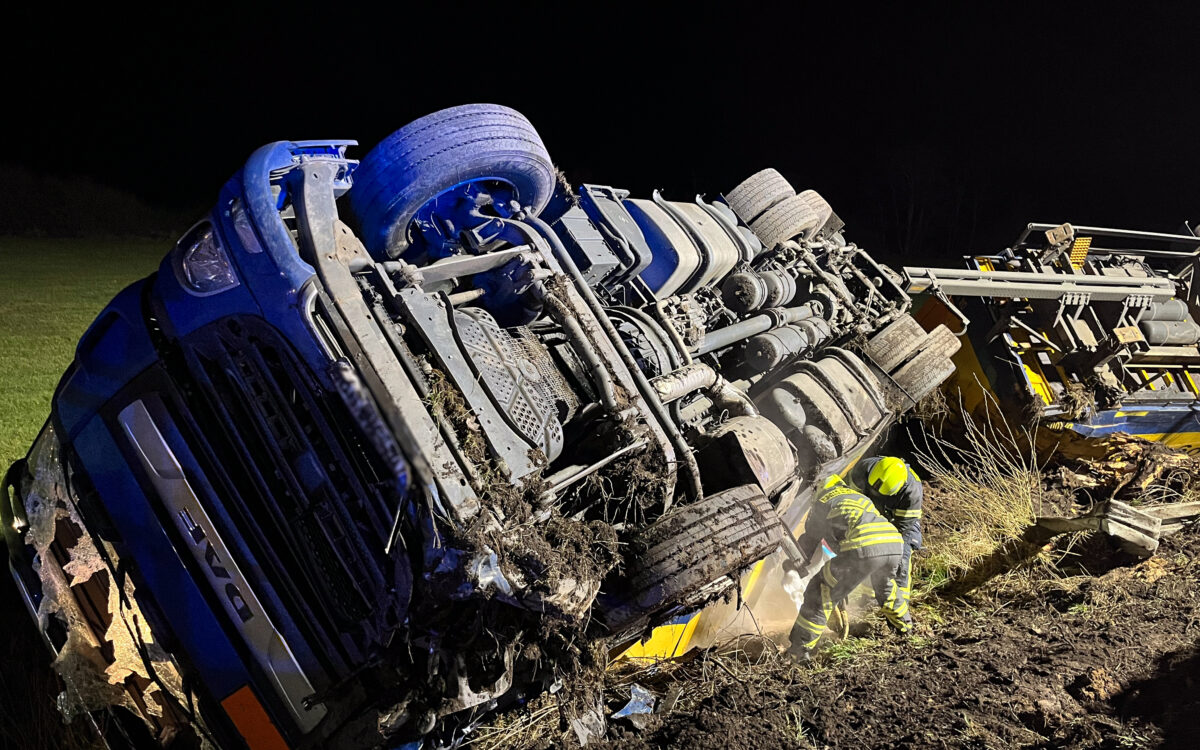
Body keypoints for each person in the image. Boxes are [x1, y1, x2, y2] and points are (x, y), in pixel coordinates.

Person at [786, 474, 907, 662]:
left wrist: (792, 565)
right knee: (885, 585)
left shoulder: (824, 501)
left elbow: (810, 540)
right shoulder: (858, 497)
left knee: (820, 591)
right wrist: (840, 586)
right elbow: (841, 541)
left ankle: (798, 651)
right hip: (893, 543)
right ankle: (905, 627)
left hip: (863, 547)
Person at [848, 456, 923, 632]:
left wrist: (881, 548)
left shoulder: (912, 493)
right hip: (869, 513)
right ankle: (868, 598)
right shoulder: (864, 468)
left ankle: (899, 611)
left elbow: (900, 531)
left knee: (899, 561)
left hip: (899, 522)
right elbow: (850, 499)